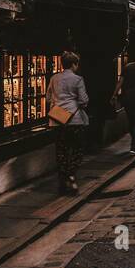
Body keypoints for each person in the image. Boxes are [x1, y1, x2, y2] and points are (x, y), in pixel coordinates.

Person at [47, 51, 90, 193]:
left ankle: (62, 181)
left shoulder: (54, 78)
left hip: (58, 119)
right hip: (75, 120)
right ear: (73, 64)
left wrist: (58, 104)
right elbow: (83, 101)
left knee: (61, 150)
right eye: (76, 64)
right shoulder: (78, 79)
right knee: (77, 149)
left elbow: (48, 98)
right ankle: (71, 175)